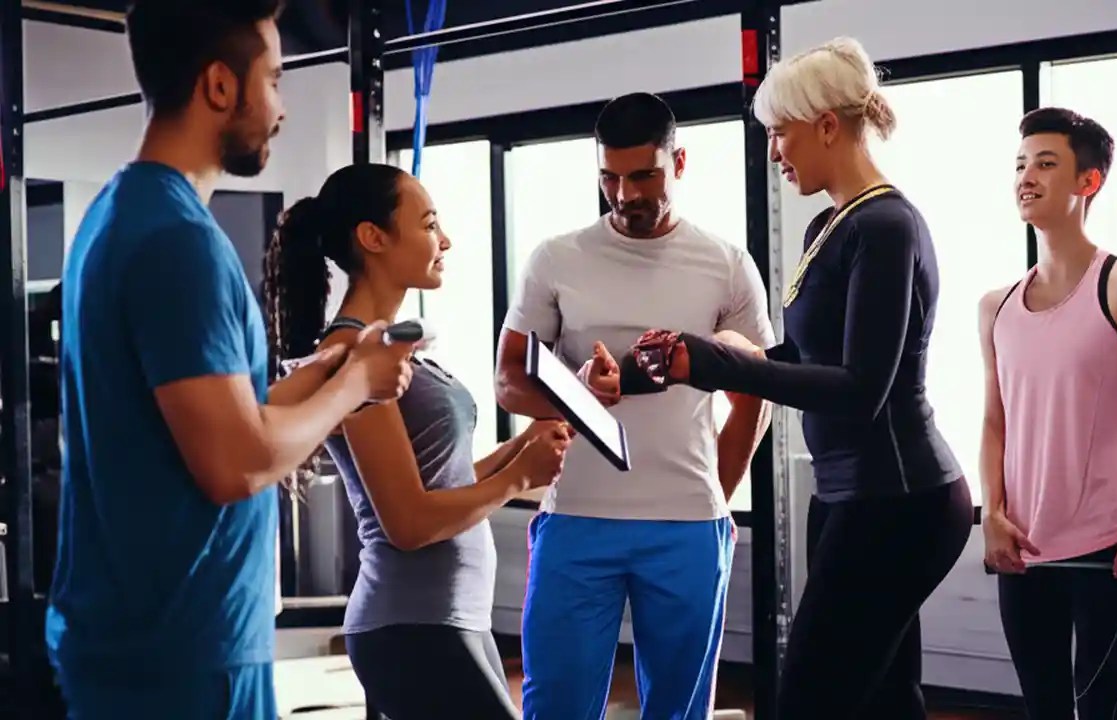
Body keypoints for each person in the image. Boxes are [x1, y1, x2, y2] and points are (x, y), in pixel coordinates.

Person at [48, 2, 417, 718]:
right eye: (273, 80)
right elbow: (237, 463)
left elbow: (222, 421)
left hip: (159, 643)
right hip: (181, 653)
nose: (281, 108)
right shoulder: (177, 241)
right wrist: (354, 387)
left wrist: (335, 367)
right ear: (220, 86)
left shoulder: (123, 214)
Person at [623, 38, 974, 718]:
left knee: (809, 701)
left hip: (900, 500)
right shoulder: (831, 225)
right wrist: (711, 356)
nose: (774, 152)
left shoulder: (887, 225)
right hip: (850, 494)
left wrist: (720, 362)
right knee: (882, 700)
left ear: (827, 126)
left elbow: (861, 389)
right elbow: (810, 356)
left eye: (780, 134)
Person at [494, 92, 775, 719]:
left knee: (678, 711)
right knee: (556, 707)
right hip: (577, 518)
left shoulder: (727, 264)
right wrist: (574, 393)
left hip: (687, 523)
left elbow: (755, 392)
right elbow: (508, 380)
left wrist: (717, 495)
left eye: (643, 176)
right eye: (610, 178)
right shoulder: (556, 258)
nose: (624, 195)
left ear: (680, 162)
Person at [261, 162, 576, 719]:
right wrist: (516, 480)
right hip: (414, 625)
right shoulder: (355, 358)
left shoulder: (385, 351)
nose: (445, 240)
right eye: (429, 224)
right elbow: (407, 523)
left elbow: (441, 484)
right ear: (373, 237)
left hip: (452, 618)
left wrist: (522, 448)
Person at [978, 106, 1117, 719]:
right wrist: (992, 513)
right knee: (1043, 708)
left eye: (1045, 163)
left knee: (1100, 708)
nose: (1026, 177)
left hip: (1109, 546)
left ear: (1089, 181)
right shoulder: (995, 305)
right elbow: (995, 420)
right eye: (1020, 165)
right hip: (1025, 545)